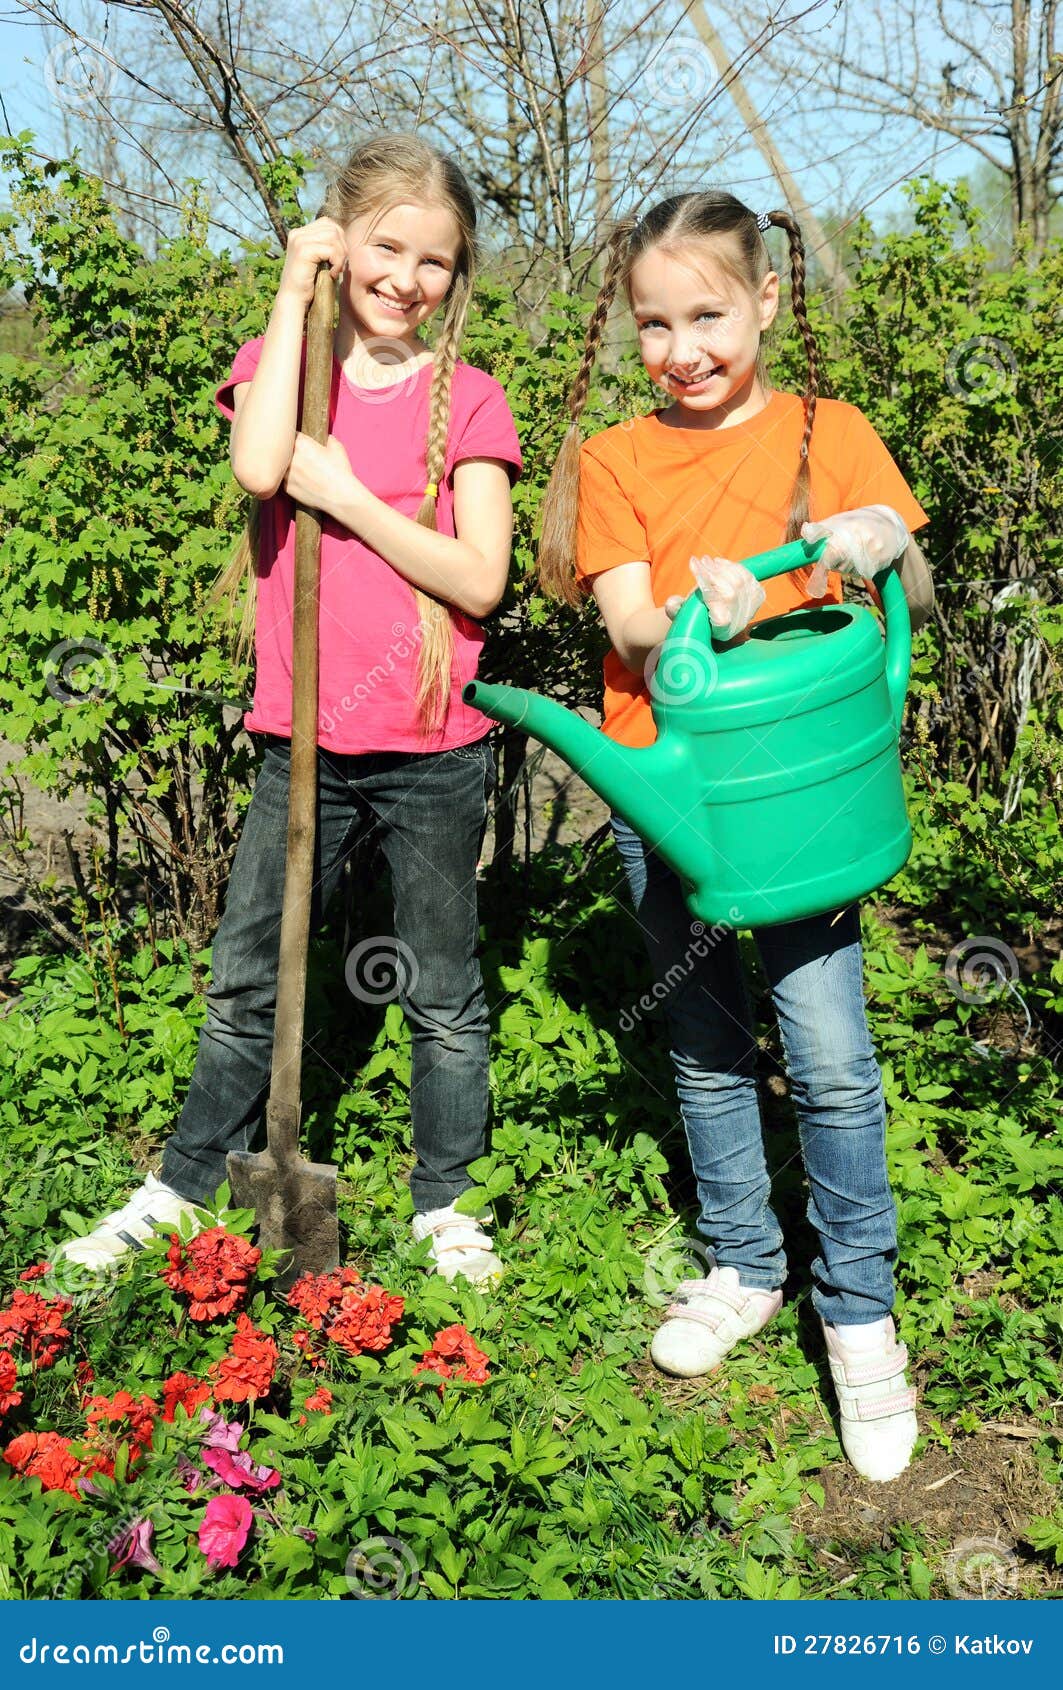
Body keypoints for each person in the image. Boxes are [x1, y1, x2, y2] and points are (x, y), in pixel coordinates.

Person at [59, 134, 522, 1287]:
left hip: (431, 750)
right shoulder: (287, 365)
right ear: (341, 239)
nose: (407, 276)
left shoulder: (468, 399)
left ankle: (448, 1201)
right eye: (385, 245)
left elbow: (479, 580)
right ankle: (179, 1184)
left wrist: (353, 498)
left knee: (442, 987)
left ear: (455, 278)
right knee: (248, 978)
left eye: (434, 259)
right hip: (299, 740)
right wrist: (288, 287)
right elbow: (262, 470)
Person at [537, 191, 933, 1482]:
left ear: (762, 300)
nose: (680, 347)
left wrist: (871, 539)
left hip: (800, 809)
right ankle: (741, 1263)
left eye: (706, 313)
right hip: (675, 803)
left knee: (825, 1056)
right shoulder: (613, 460)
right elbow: (624, 622)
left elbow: (902, 584)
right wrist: (694, 604)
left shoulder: (829, 430)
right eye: (652, 324)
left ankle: (858, 1311)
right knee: (704, 1041)